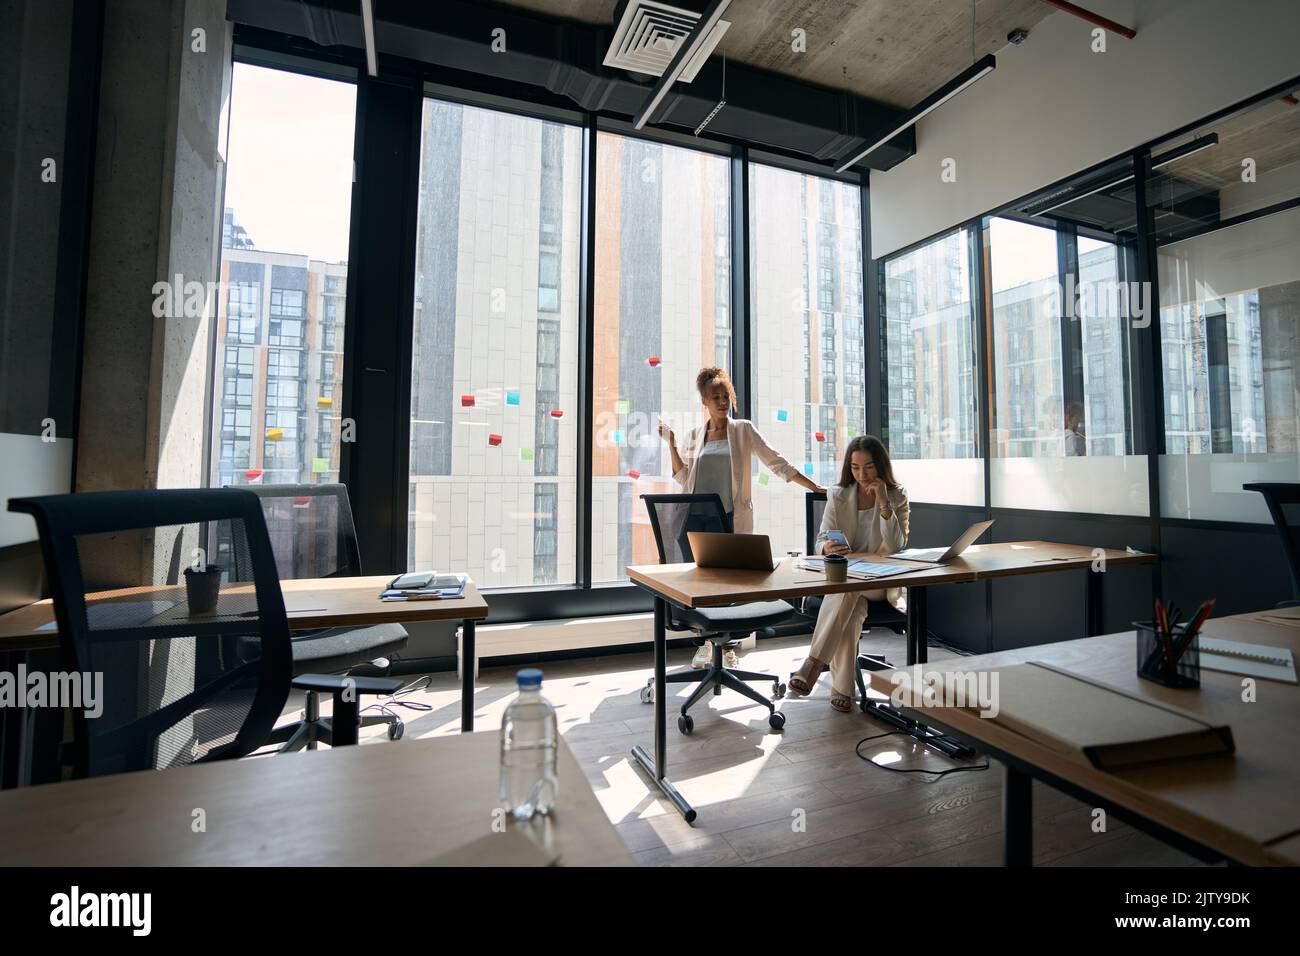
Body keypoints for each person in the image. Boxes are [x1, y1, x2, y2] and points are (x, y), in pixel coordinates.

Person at [658, 366, 823, 668]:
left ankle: (727, 645)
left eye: (726, 396)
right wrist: (670, 444)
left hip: (728, 519)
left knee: (727, 585)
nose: (723, 402)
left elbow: (776, 462)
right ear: (704, 402)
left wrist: (812, 486)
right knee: (701, 586)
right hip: (693, 521)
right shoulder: (695, 436)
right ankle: (710, 645)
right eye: (715, 397)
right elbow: (683, 478)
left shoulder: (743, 430)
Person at [788, 435, 909, 712]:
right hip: (848, 577)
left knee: (846, 590)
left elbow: (895, 546)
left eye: (868, 467)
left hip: (881, 579)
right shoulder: (839, 495)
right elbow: (820, 540)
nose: (862, 474)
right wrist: (826, 546)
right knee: (851, 606)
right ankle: (842, 688)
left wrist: (883, 502)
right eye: (855, 467)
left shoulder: (897, 495)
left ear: (880, 466)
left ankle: (814, 661)